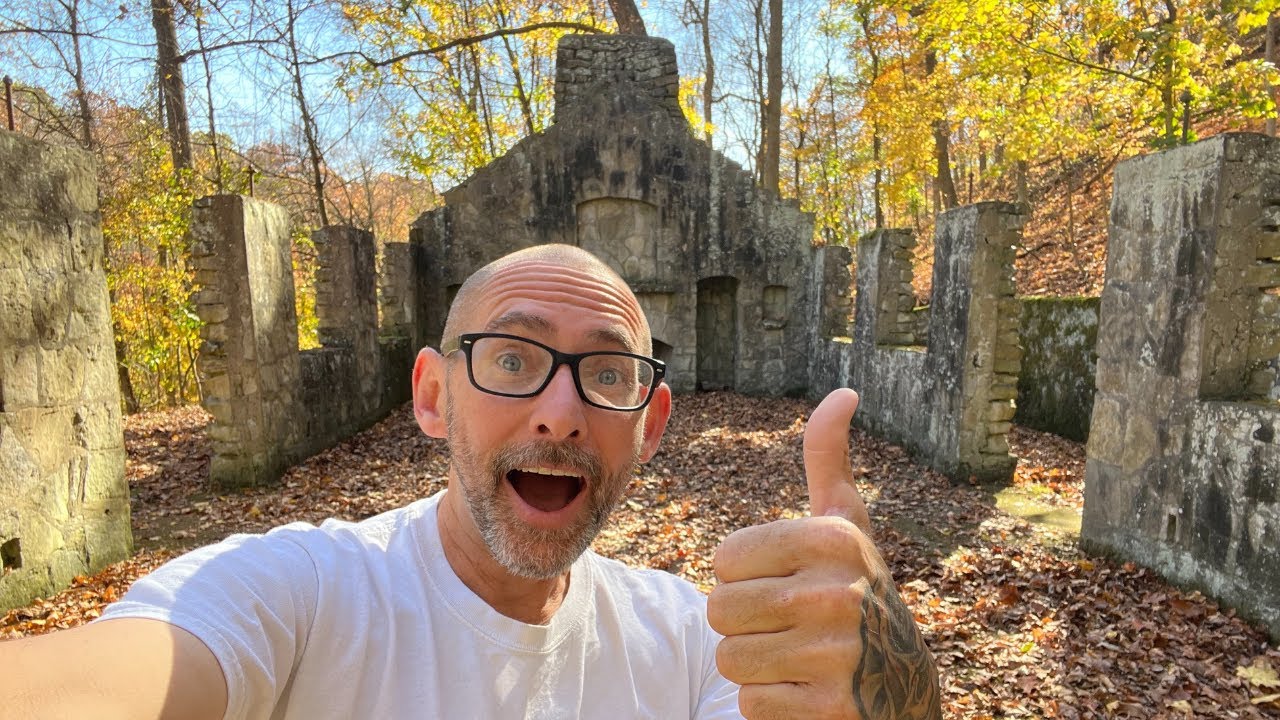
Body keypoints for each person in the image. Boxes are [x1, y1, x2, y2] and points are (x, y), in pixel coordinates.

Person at [0, 244, 941, 719]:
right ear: (433, 395)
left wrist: (893, 674)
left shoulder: (697, 643)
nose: (560, 413)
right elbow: (113, 681)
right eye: (512, 357)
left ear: (648, 426)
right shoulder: (301, 595)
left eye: (607, 373)